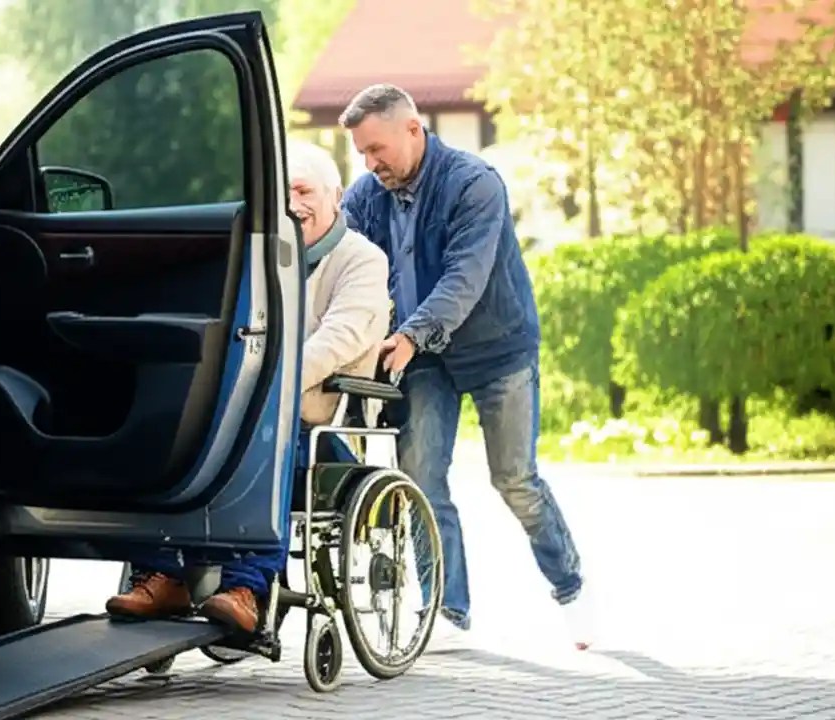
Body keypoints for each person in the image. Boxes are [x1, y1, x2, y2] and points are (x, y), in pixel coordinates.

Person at [337, 84, 593, 649]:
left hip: (498, 348)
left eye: (377, 149)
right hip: (425, 356)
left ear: (413, 129)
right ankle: (447, 610)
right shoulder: (365, 197)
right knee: (421, 476)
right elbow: (339, 255)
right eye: (361, 154)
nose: (370, 163)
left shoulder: (473, 183)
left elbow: (465, 276)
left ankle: (570, 587)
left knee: (515, 480)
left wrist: (410, 333)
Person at [105, 140, 391, 634]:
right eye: (283, 194)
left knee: (263, 440)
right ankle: (162, 574)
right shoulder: (263, 257)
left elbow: (340, 339)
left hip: (317, 429)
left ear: (336, 196)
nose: (293, 204)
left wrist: (268, 388)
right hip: (242, 411)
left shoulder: (362, 260)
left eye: (303, 190)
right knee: (169, 427)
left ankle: (246, 587)